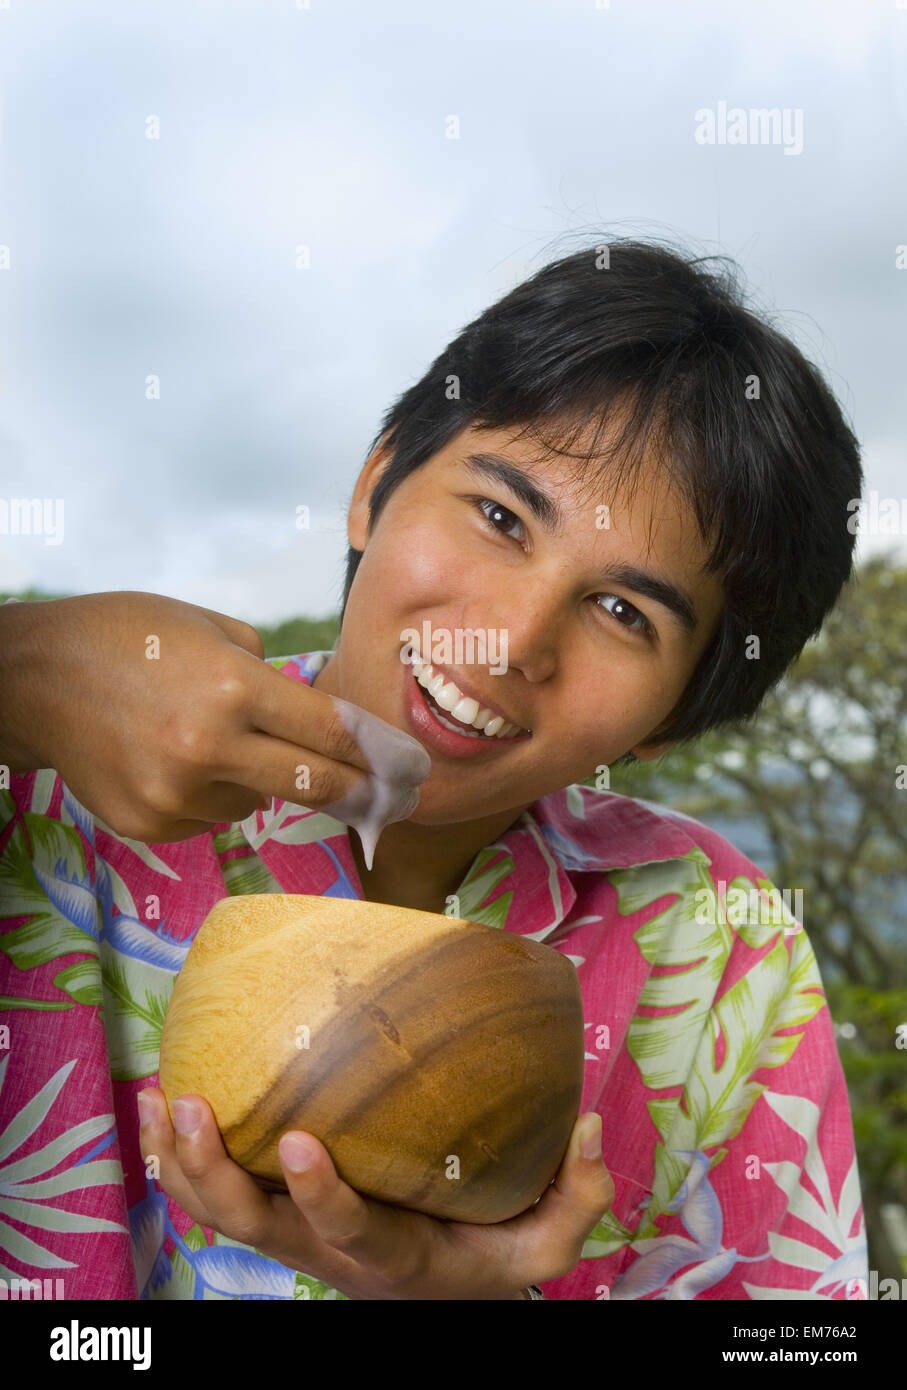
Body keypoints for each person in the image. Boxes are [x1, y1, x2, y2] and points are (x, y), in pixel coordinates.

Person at [0, 239, 869, 1301]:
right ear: (375, 486)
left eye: (622, 612)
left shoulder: (724, 948)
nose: (506, 641)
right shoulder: (45, 775)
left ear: (676, 716)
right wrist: (14, 670)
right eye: (500, 517)